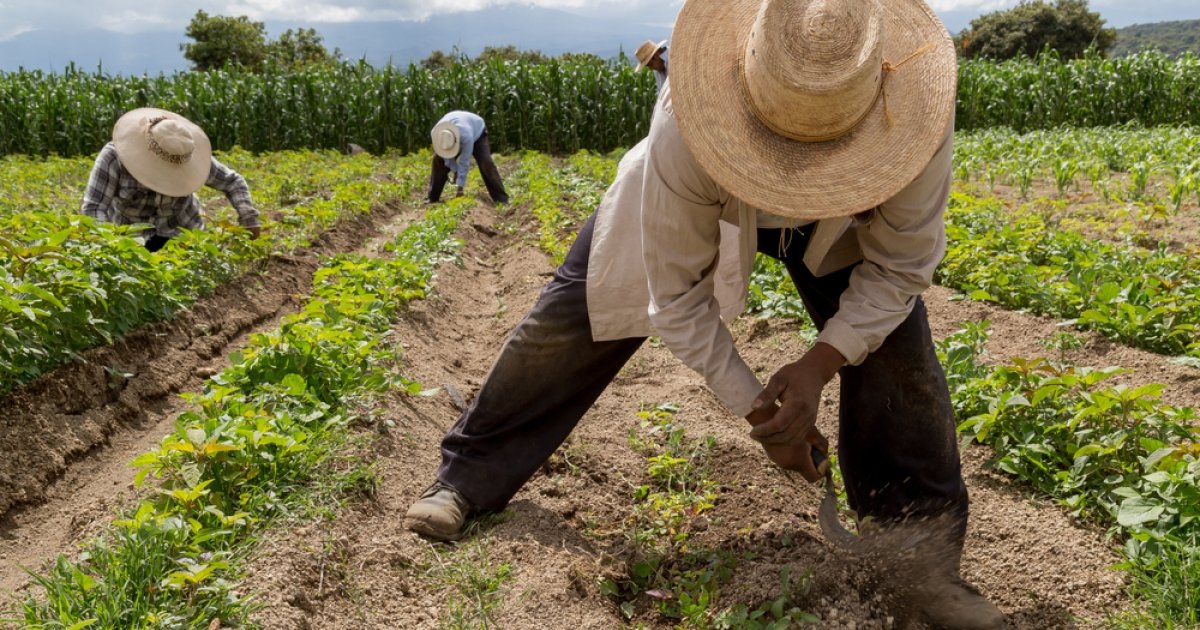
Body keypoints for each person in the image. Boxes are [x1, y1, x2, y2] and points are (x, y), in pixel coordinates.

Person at [406, 0, 1002, 627]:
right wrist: (762, 412)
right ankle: (466, 478)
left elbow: (900, 270)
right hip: (712, 193)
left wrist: (821, 363)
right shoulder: (687, 125)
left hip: (843, 225)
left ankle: (918, 568)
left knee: (898, 357)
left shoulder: (913, 115)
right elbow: (676, 296)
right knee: (576, 316)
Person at [80, 108, 261, 252]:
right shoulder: (115, 157)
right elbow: (94, 208)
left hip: (184, 235)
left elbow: (233, 182)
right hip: (132, 242)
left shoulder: (185, 154)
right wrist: (110, 247)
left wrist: (249, 218)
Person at [426, 110, 509, 205]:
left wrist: (460, 186)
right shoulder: (436, 134)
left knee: (486, 163)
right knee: (438, 160)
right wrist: (455, 170)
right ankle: (433, 197)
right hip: (459, 129)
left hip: (478, 132)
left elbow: (464, 161)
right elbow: (446, 157)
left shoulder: (466, 136)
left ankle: (502, 199)